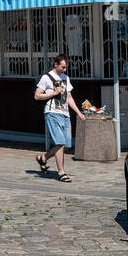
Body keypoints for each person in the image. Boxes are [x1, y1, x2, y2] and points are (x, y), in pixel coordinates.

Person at [35, 53, 86, 182]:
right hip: (52, 113)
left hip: (65, 114)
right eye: (62, 67)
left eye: (66, 67)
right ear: (56, 65)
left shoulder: (64, 78)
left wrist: (78, 112)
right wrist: (54, 93)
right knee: (60, 143)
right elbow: (37, 96)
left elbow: (68, 97)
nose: (64, 70)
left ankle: (43, 158)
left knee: (66, 145)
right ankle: (61, 173)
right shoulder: (46, 78)